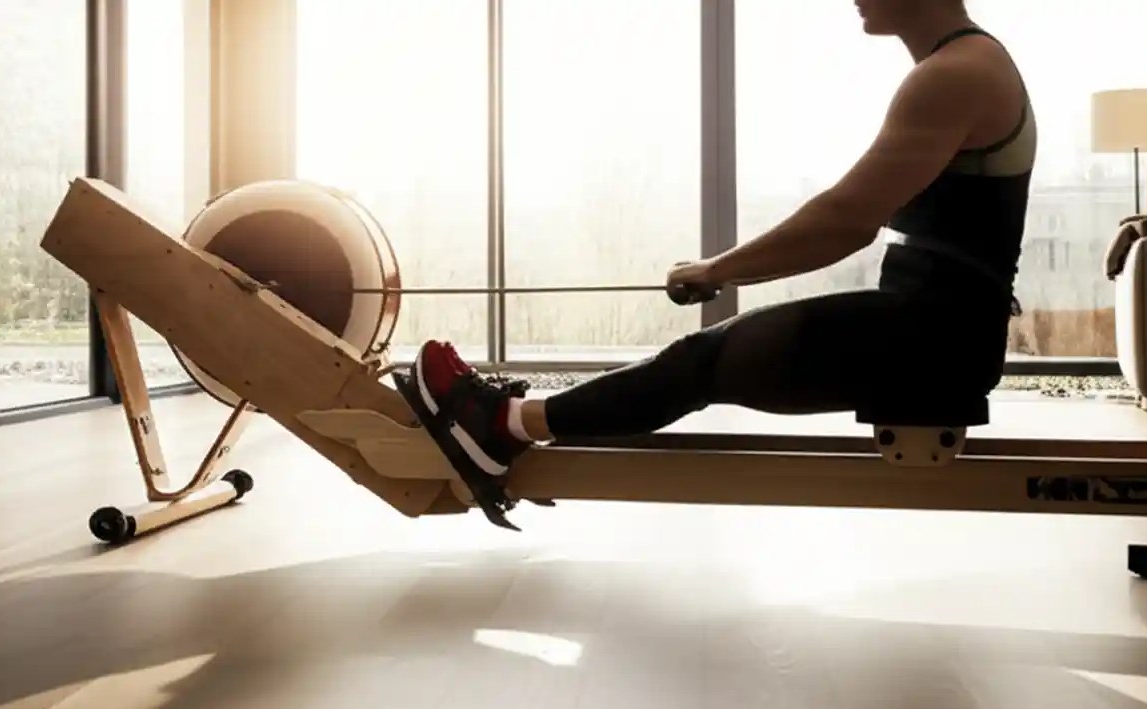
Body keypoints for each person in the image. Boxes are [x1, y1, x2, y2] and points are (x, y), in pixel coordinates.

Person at [395, 0, 1036, 508]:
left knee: (700, 364)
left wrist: (716, 270)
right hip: (931, 328)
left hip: (932, 341)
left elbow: (845, 222)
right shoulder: (962, 66)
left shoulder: (954, 76)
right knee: (704, 359)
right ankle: (515, 419)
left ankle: (502, 427)